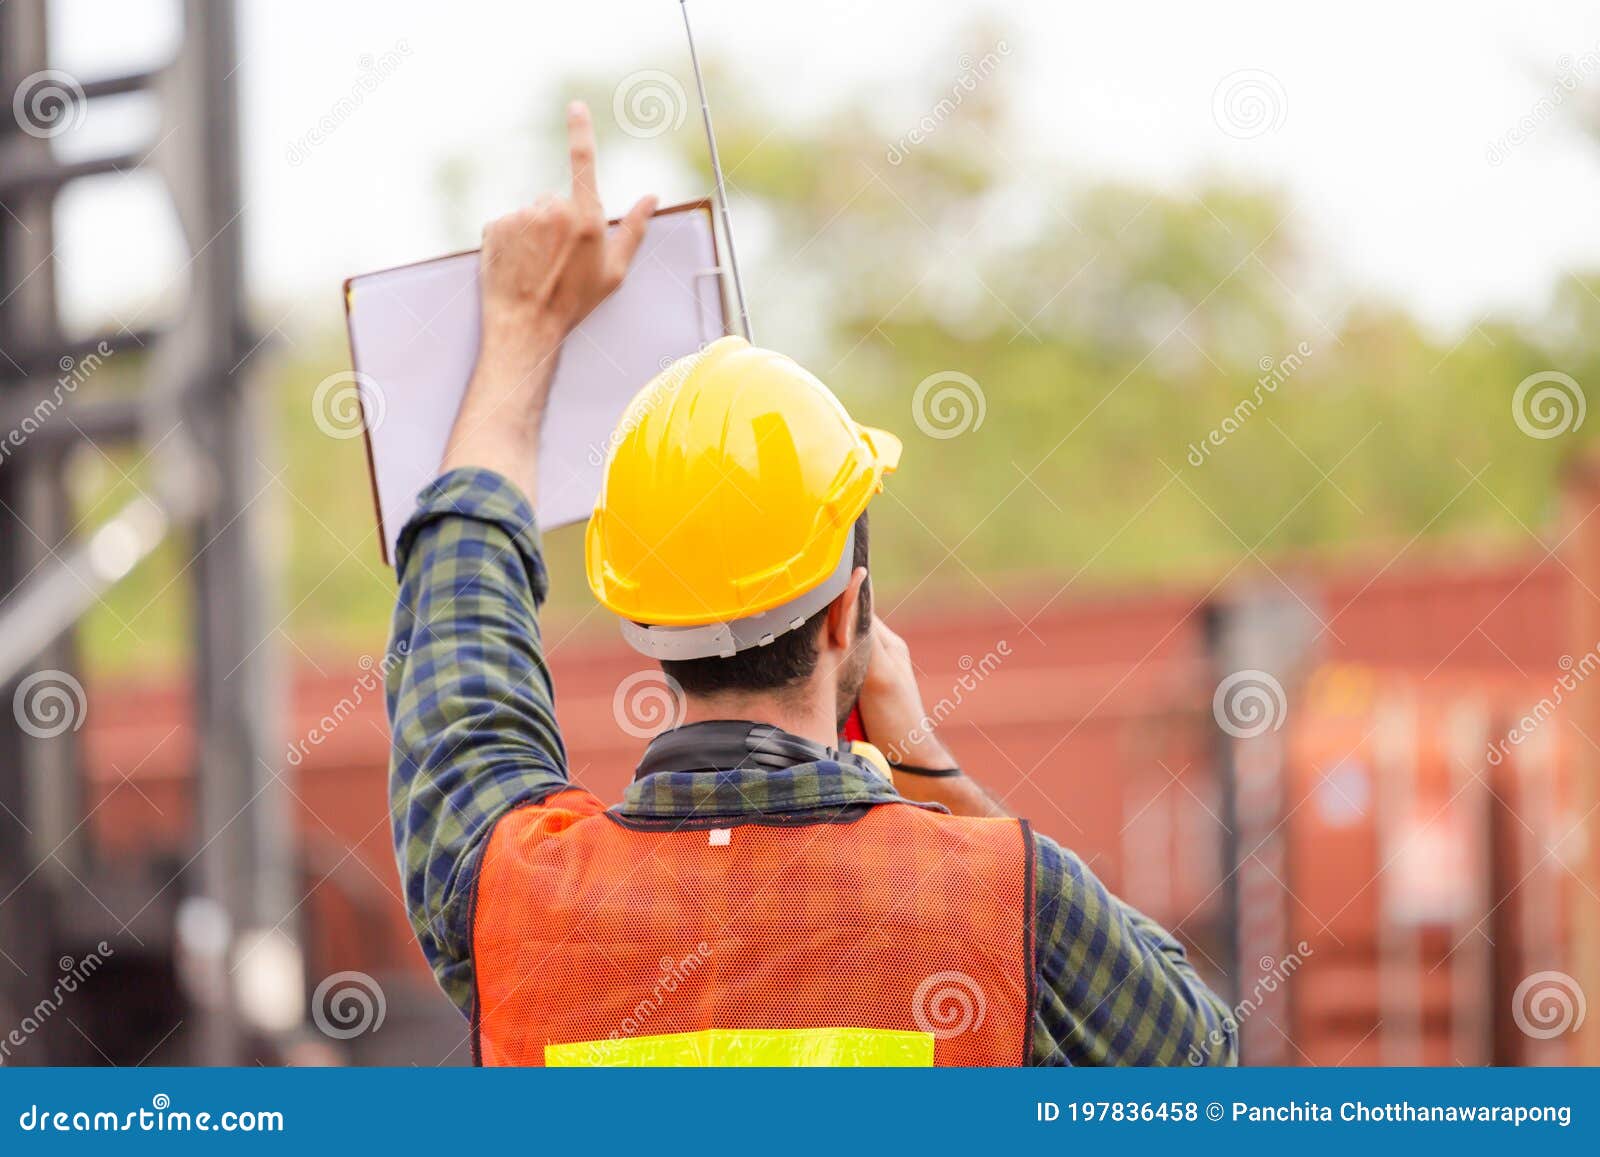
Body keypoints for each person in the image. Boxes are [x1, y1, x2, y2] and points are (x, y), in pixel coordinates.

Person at [385, 101, 1236, 1066]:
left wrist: (520, 330)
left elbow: (458, 657)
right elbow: (1195, 1053)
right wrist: (922, 761)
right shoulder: (1004, 903)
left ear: (643, 614)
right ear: (845, 614)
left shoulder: (514, 897)